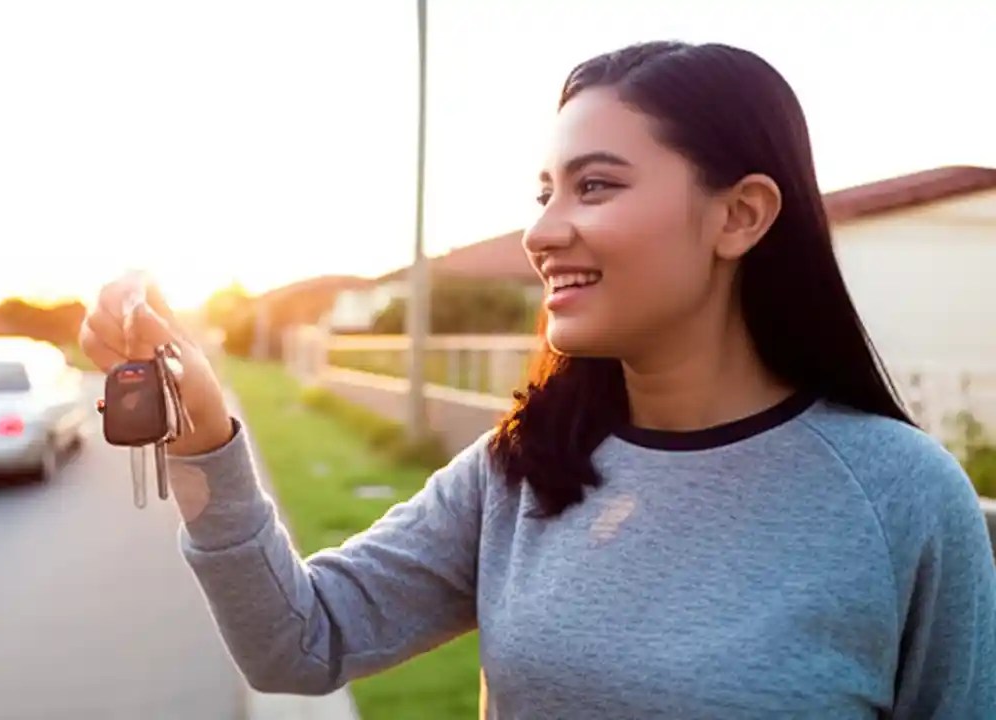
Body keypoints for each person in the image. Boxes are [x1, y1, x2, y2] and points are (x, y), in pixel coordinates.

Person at [80, 41, 996, 719]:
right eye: (545, 192)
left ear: (741, 215)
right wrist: (202, 432)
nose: (543, 231)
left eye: (595, 187)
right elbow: (298, 642)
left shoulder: (901, 498)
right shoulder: (520, 467)